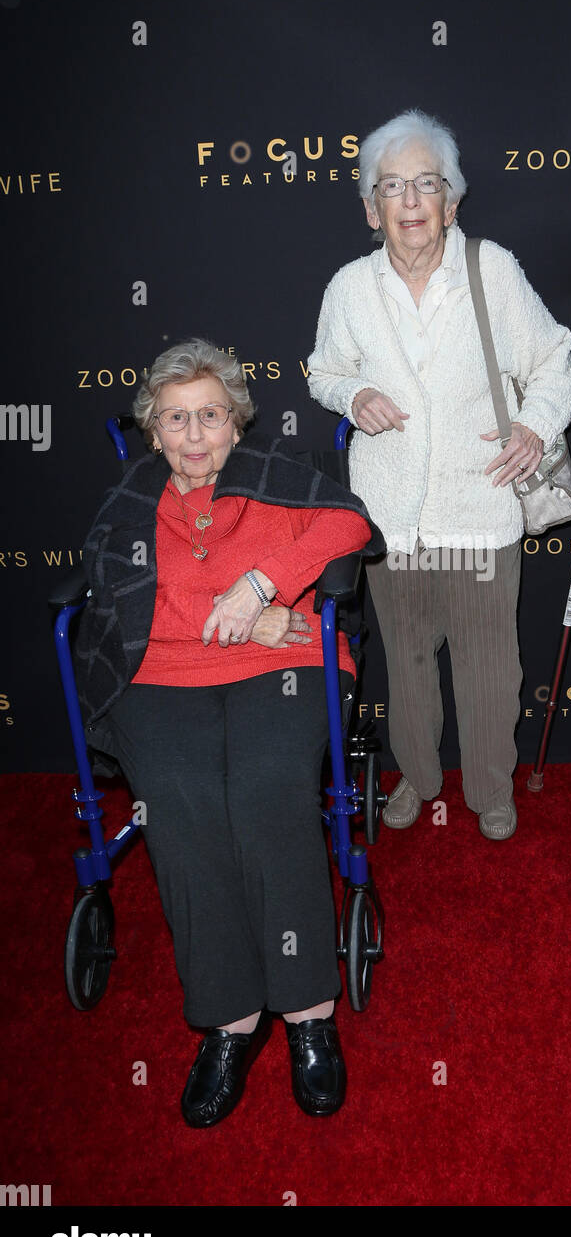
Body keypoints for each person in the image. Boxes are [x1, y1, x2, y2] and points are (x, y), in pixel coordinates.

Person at [74, 339, 381, 1125]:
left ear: (236, 423)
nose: (194, 434)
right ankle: (229, 1021)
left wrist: (264, 586)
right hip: (163, 673)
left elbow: (351, 528)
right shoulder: (131, 501)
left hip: (281, 663)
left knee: (267, 786)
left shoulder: (274, 480)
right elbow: (115, 601)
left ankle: (309, 1013)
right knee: (177, 801)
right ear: (153, 431)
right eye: (176, 419)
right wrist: (253, 626)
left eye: (210, 415)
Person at [307, 109, 571, 841]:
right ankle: (419, 780)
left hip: (480, 504)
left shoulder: (492, 269)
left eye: (427, 182)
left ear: (452, 199)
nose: (412, 201)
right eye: (392, 186)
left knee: (491, 669)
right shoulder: (350, 287)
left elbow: (553, 357)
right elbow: (323, 372)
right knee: (408, 664)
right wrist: (351, 394)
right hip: (392, 517)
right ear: (371, 207)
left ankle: (492, 787)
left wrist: (536, 426)